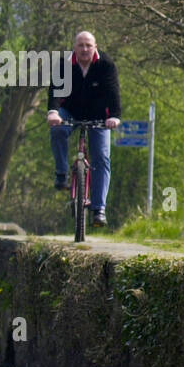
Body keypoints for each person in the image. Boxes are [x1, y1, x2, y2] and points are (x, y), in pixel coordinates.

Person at [47, 30, 121, 227]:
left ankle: (99, 209)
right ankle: (61, 173)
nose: (85, 49)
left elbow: (113, 92)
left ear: (95, 47)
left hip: (99, 116)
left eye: (88, 45)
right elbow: (54, 91)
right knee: (57, 130)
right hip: (70, 111)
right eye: (81, 45)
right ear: (74, 47)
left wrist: (114, 116)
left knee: (101, 157)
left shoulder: (106, 65)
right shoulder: (63, 64)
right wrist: (52, 112)